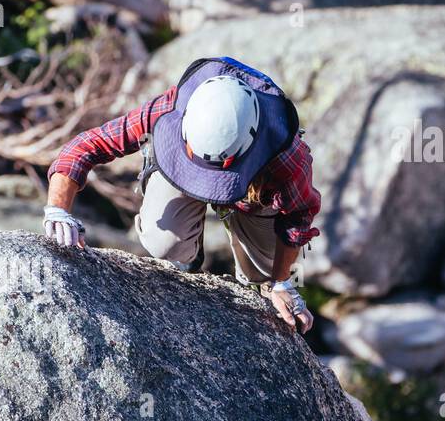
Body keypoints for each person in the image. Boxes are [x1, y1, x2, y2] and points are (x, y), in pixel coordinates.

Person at [42, 56, 319, 333]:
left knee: (264, 277)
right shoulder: (170, 109)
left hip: (254, 191)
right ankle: (187, 256)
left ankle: (259, 277)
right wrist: (58, 209)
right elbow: (88, 145)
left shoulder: (285, 154)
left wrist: (282, 283)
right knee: (165, 243)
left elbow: (297, 216)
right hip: (178, 167)